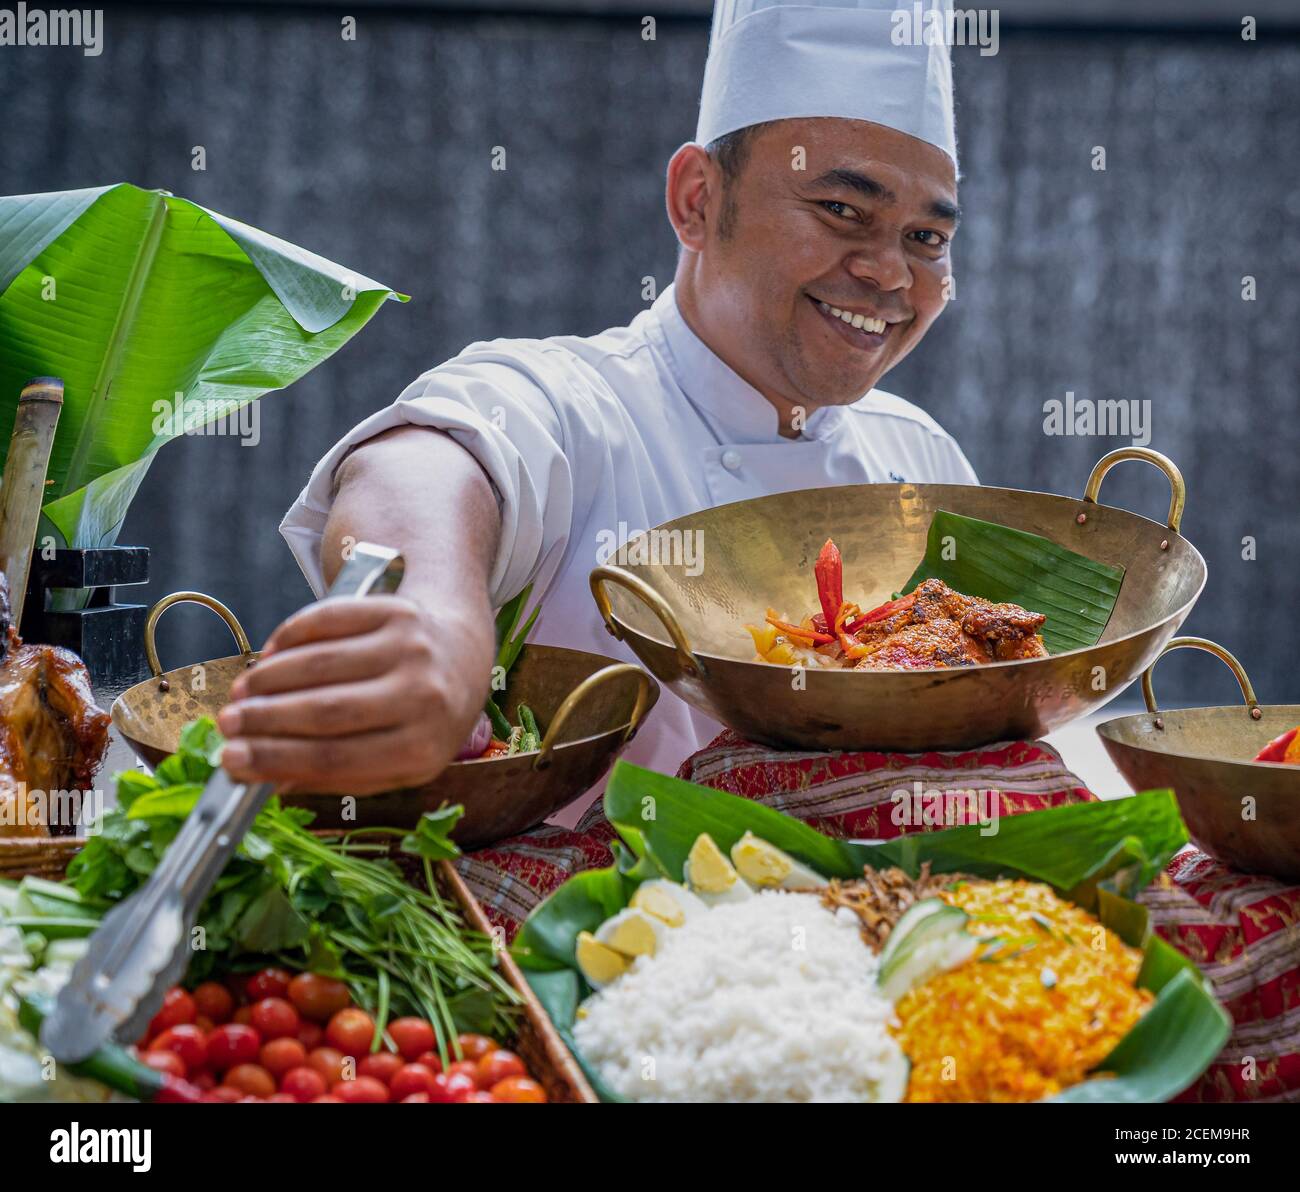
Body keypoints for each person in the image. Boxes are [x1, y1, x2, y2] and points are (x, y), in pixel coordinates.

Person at [218, 0, 977, 800]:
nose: (892, 275)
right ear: (698, 201)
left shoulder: (922, 459)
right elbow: (427, 465)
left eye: (926, 239)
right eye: (842, 211)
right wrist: (432, 629)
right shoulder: (573, 402)